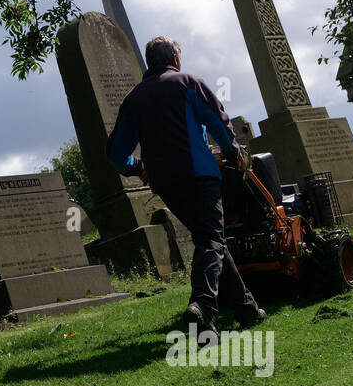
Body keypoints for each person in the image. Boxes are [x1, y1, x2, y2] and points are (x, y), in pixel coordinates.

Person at [106, 35, 264, 335]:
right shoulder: (188, 82)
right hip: (199, 176)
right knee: (212, 240)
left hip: (164, 183)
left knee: (210, 239)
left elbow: (115, 154)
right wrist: (232, 153)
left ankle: (247, 310)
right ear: (175, 59)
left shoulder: (133, 99)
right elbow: (218, 122)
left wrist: (138, 168)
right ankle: (202, 304)